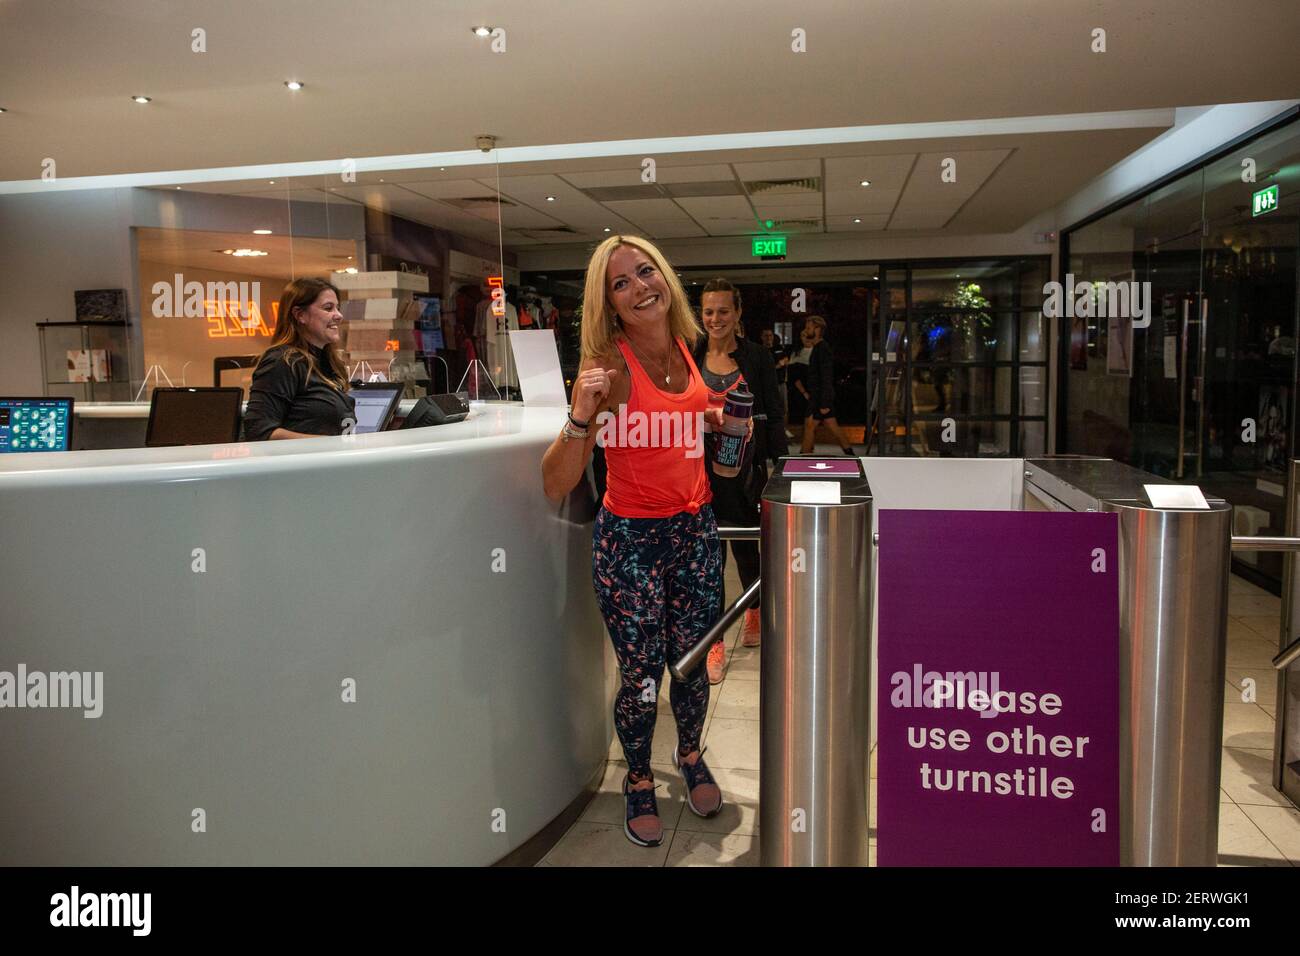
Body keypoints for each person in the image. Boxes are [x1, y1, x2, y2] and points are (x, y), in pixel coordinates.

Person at [541, 235, 727, 848]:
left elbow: (676, 418)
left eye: (646, 272)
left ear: (665, 277)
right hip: (633, 544)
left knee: (693, 664)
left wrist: (709, 417)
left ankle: (690, 753)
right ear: (609, 304)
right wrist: (579, 414)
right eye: (620, 283)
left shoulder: (685, 346)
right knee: (643, 676)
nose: (640, 287)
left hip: (696, 532)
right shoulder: (610, 371)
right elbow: (556, 482)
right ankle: (640, 776)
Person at [694, 279, 786, 681]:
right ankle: (714, 638)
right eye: (708, 311)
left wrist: (782, 468)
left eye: (723, 311)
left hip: (746, 474)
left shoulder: (757, 357)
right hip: (697, 473)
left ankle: (754, 609)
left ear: (738, 313)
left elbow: (775, 415)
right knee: (708, 560)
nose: (715, 319)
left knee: (748, 550)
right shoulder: (689, 353)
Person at [243, 278, 356, 441]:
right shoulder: (282, 361)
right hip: (306, 457)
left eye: (337, 308)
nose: (339, 315)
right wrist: (328, 444)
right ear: (300, 315)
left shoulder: (327, 363)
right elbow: (258, 431)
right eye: (328, 308)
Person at [799, 315, 857, 456]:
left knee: (810, 425)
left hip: (820, 397)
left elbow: (826, 376)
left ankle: (803, 456)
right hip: (818, 396)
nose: (806, 330)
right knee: (828, 425)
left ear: (818, 329)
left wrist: (825, 401)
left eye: (809, 327)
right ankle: (849, 454)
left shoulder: (822, 349)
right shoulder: (818, 348)